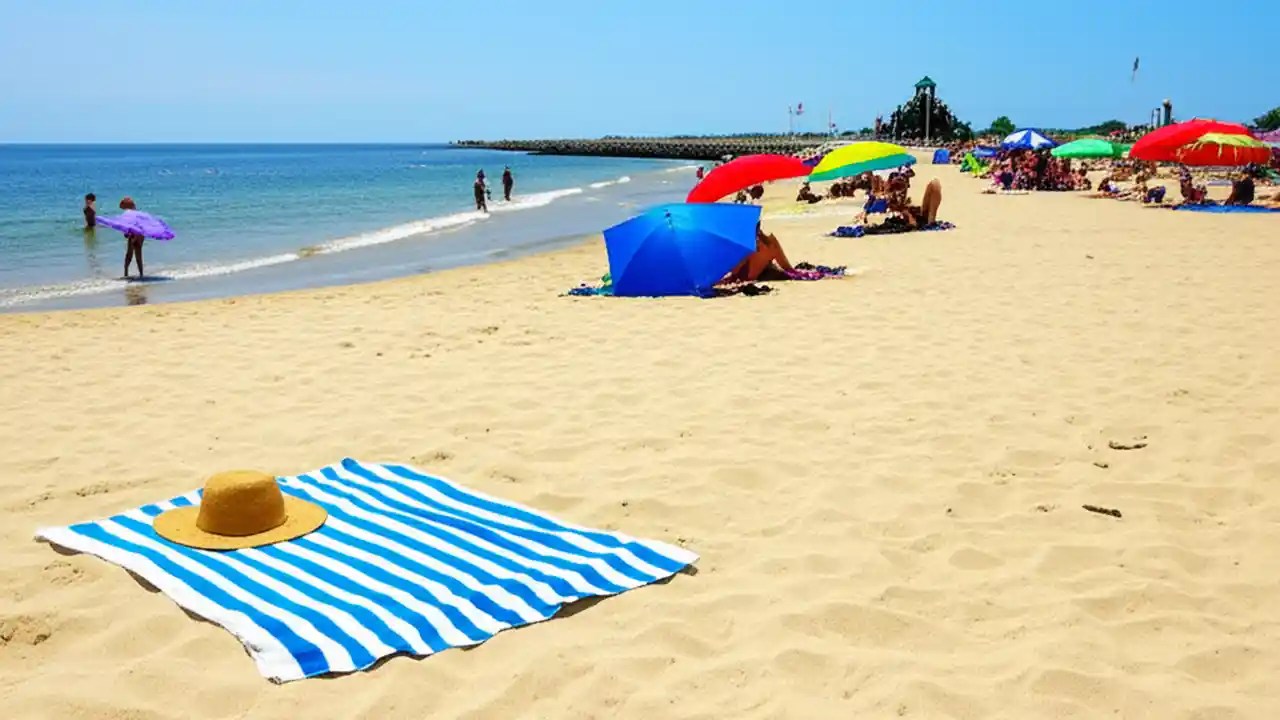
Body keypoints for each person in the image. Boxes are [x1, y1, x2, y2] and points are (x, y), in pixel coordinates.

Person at [725, 224, 795, 282]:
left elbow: (787, 268)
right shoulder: (742, 244)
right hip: (759, 273)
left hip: (763, 272)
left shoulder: (770, 242)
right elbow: (734, 271)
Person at [119, 197, 145, 278]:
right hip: (140, 234)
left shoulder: (129, 214)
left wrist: (127, 234)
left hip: (134, 234)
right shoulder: (137, 213)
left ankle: (126, 273)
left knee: (129, 254)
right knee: (138, 254)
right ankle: (141, 274)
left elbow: (128, 225)